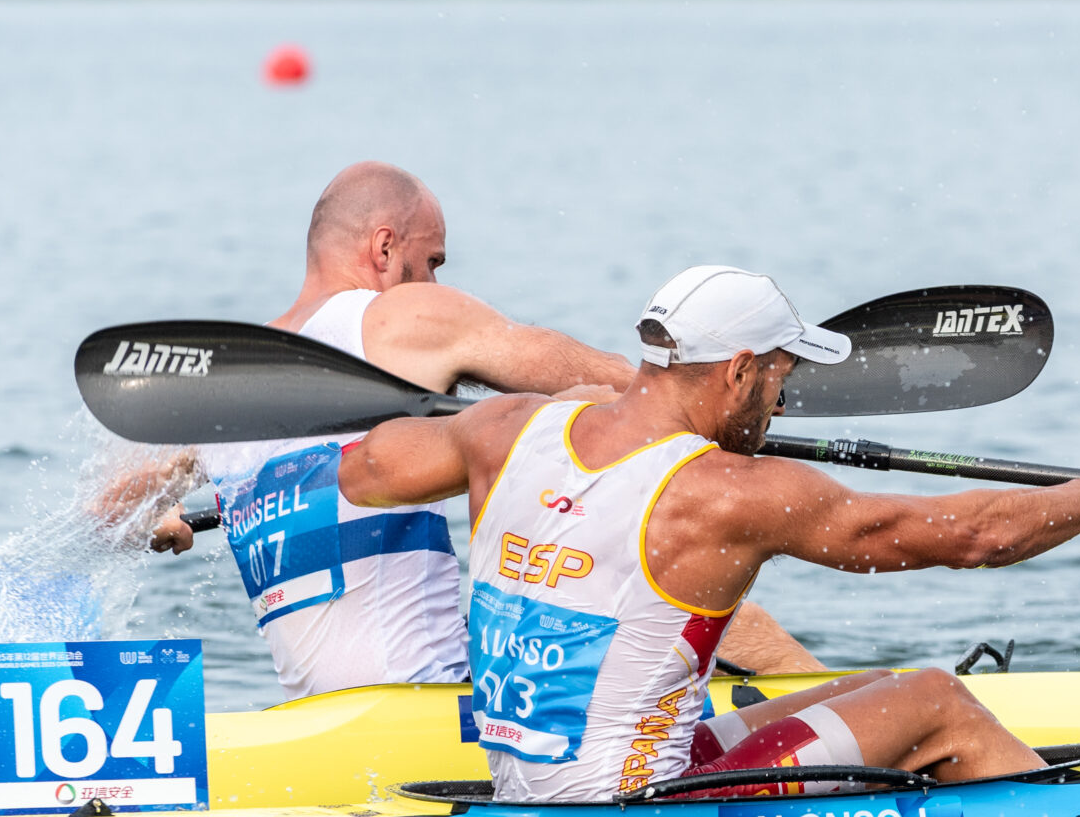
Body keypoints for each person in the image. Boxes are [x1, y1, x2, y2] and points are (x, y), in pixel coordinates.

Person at [339, 264, 1080, 802]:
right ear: (739, 369)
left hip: (528, 782)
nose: (780, 401)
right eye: (779, 376)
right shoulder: (727, 494)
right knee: (936, 701)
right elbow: (967, 537)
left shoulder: (505, 430)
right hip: (629, 813)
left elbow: (361, 469)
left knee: (877, 685)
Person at [106, 163, 824, 699]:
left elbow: (109, 507)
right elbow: (624, 387)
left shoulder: (230, 384)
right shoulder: (399, 315)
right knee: (703, 596)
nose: (436, 280)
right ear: (385, 248)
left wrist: (163, 518)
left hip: (323, 720)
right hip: (433, 703)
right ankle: (864, 750)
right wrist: (731, 403)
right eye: (432, 261)